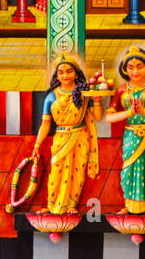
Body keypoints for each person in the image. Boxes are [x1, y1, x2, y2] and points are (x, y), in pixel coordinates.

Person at [31, 54, 100, 214]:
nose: (65, 75)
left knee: (77, 173)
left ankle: (71, 206)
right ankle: (53, 206)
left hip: (80, 138)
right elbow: (46, 124)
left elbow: (96, 116)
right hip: (60, 139)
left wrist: (96, 100)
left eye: (69, 71)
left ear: (76, 73)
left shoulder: (84, 94)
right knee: (56, 172)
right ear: (57, 75)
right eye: (61, 72)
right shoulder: (51, 96)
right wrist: (37, 145)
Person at [103, 45, 145, 214]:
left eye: (140, 67)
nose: (135, 71)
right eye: (131, 67)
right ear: (125, 69)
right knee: (128, 171)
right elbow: (109, 118)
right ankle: (130, 206)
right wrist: (129, 112)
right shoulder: (121, 91)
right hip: (130, 136)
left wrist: (142, 111)